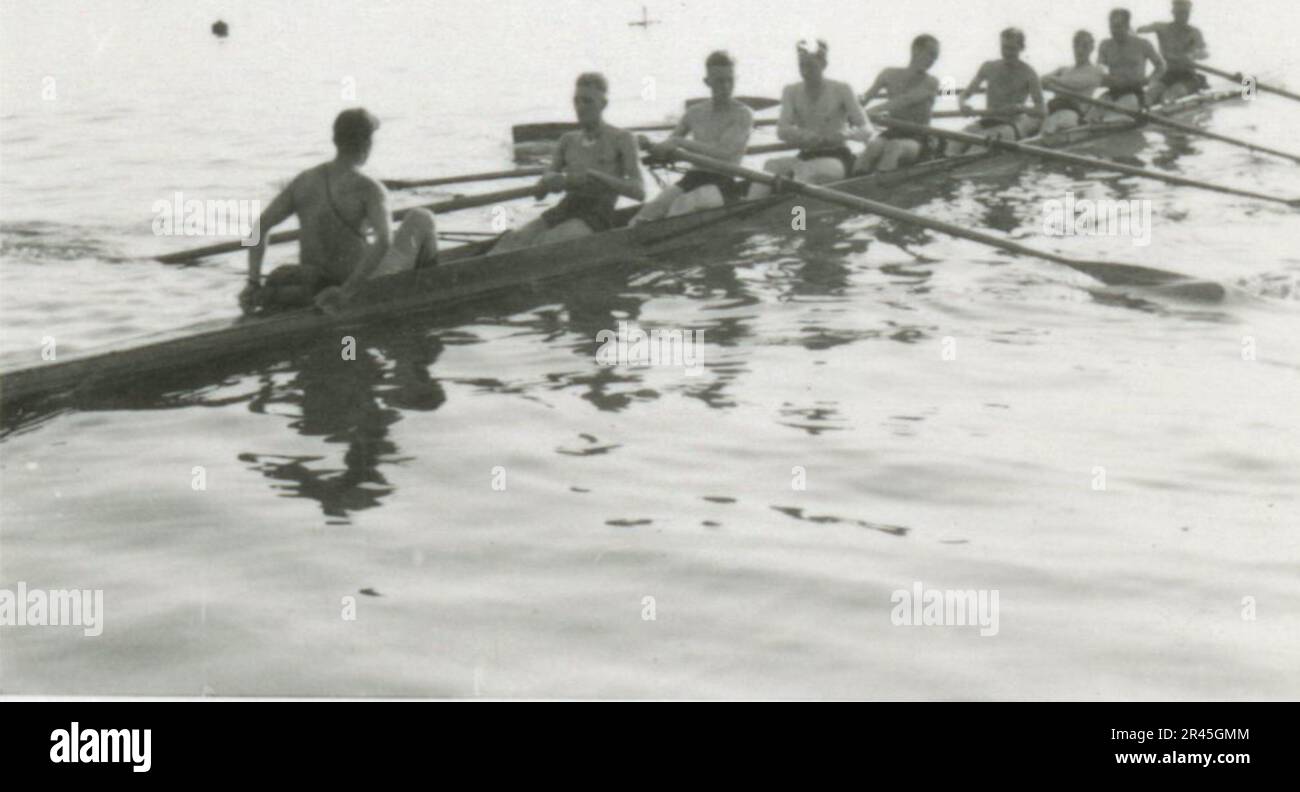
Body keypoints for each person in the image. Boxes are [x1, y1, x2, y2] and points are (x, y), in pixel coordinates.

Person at [241, 108, 437, 314]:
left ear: (335, 140)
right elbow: (384, 240)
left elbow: (259, 227)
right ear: (367, 143)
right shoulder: (370, 188)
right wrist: (346, 292)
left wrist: (253, 281)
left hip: (314, 282)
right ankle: (430, 296)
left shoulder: (303, 181)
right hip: (352, 285)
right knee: (422, 217)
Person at [493, 73, 645, 252]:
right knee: (513, 239)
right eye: (577, 101)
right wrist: (549, 180)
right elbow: (540, 192)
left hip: (598, 213)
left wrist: (594, 176)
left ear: (603, 104)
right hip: (566, 207)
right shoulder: (567, 140)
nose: (580, 108)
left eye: (588, 101)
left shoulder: (622, 138)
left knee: (546, 243)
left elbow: (639, 191)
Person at [631, 51, 754, 224]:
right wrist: (647, 145)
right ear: (707, 82)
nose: (726, 86)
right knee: (652, 208)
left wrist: (678, 142)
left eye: (730, 80)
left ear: (736, 79)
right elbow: (668, 146)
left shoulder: (743, 114)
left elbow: (724, 153)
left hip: (724, 183)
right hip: (692, 177)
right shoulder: (694, 112)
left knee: (684, 205)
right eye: (719, 81)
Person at [746, 39, 872, 200]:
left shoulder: (842, 89)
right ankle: (747, 211)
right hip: (806, 156)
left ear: (824, 64)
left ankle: (797, 222)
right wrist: (804, 135)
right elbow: (782, 130)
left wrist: (846, 134)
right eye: (801, 66)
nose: (805, 72)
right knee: (769, 166)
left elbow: (867, 129)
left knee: (804, 171)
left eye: (811, 66)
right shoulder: (790, 91)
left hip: (837, 156)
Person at [945, 28, 1045, 156]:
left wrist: (1021, 108)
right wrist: (962, 105)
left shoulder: (1028, 73)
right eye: (1004, 47)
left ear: (1021, 48)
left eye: (1012, 48)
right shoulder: (989, 67)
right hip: (986, 121)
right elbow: (965, 94)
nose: (1007, 53)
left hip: (1010, 126)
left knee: (974, 150)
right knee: (953, 143)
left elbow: (1042, 111)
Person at [857, 34, 941, 173]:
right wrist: (848, 108)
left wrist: (872, 111)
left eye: (935, 57)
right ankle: (856, 180)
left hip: (918, 138)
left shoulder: (932, 82)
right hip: (893, 132)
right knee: (872, 146)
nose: (933, 61)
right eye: (930, 54)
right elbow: (865, 98)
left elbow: (905, 100)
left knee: (894, 147)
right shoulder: (888, 74)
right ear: (915, 50)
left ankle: (880, 187)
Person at [1091, 8, 1166, 121]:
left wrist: (1150, 80)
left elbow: (1161, 66)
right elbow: (1099, 67)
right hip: (1111, 93)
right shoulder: (1105, 45)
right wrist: (1103, 76)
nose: (1114, 30)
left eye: (1118, 26)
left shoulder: (1142, 44)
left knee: (1110, 119)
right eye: (1111, 26)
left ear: (1127, 26)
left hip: (1134, 94)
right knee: (1086, 119)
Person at [1138, 0, 1209, 104]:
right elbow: (1138, 30)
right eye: (1180, 12)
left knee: (1169, 95)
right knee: (1150, 95)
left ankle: (1167, 106)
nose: (1183, 15)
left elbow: (1205, 53)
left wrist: (1192, 55)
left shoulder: (1194, 32)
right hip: (1167, 74)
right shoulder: (1162, 27)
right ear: (1173, 12)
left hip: (1188, 77)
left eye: (1186, 12)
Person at [1041, 31, 1108, 134]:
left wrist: (1052, 80)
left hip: (1074, 112)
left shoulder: (1096, 70)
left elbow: (1076, 84)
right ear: (1073, 47)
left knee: (1050, 125)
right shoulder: (1064, 69)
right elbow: (1041, 80)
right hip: (1052, 107)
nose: (1080, 50)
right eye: (1077, 45)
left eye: (1084, 46)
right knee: (1028, 118)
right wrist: (1046, 81)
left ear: (1091, 49)